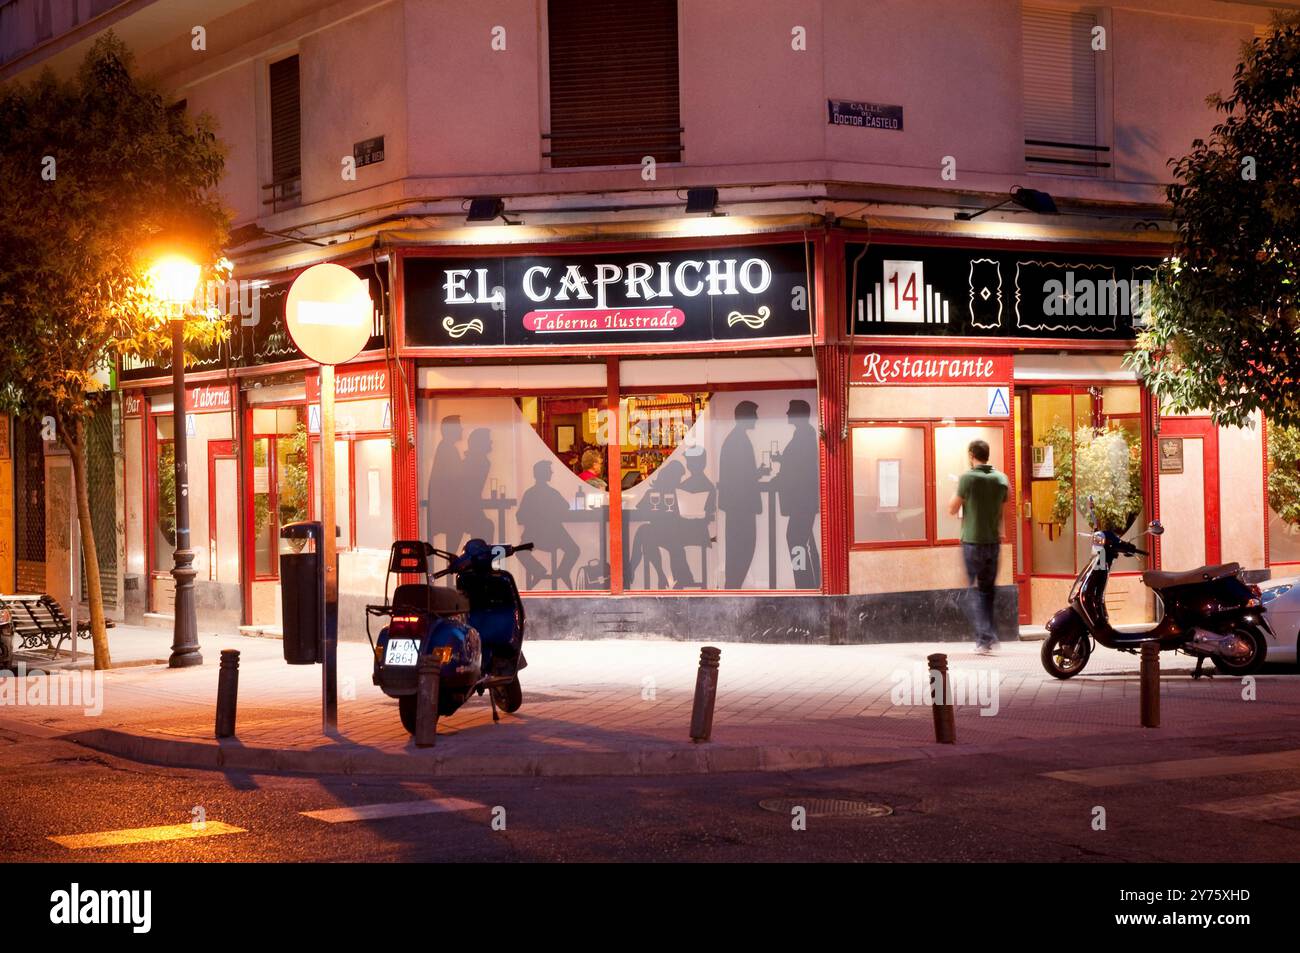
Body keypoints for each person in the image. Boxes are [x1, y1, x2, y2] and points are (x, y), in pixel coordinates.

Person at [947, 439, 1009, 653]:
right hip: (993, 542)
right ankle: (989, 637)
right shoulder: (1001, 479)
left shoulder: (967, 478)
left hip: (973, 542)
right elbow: (1003, 511)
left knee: (971, 592)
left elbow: (952, 508)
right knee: (987, 592)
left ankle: (985, 638)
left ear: (971, 455)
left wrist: (960, 491)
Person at [770, 399, 821, 589]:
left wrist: (780, 475)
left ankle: (804, 584)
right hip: (803, 502)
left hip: (802, 502)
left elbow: (799, 468)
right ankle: (807, 583)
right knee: (801, 541)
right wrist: (783, 461)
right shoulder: (804, 434)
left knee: (795, 540)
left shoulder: (804, 435)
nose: (787, 414)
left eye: (791, 411)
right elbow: (797, 464)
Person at [514, 460, 580, 589]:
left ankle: (538, 571)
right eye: (549, 470)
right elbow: (565, 508)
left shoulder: (529, 493)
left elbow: (519, 517)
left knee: (520, 552)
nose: (552, 472)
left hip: (534, 538)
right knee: (574, 550)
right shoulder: (552, 493)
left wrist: (534, 521)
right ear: (544, 473)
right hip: (554, 538)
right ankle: (563, 572)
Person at [718, 400, 762, 589]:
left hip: (737, 507)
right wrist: (758, 474)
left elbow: (738, 474)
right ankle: (733, 588)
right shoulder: (739, 441)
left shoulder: (735, 439)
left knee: (739, 549)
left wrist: (756, 473)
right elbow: (741, 477)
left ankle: (733, 587)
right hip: (741, 507)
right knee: (743, 548)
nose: (757, 418)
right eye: (754, 414)